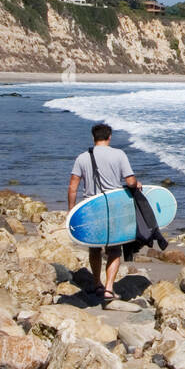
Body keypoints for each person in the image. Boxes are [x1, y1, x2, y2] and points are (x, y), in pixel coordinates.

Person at [68, 122, 140, 301]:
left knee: (94, 249)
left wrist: (72, 212)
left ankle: (96, 283)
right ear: (109, 137)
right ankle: (108, 289)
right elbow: (130, 181)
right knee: (114, 249)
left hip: (90, 207)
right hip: (112, 207)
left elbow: (72, 188)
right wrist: (136, 184)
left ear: (93, 138)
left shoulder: (82, 158)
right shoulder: (119, 154)